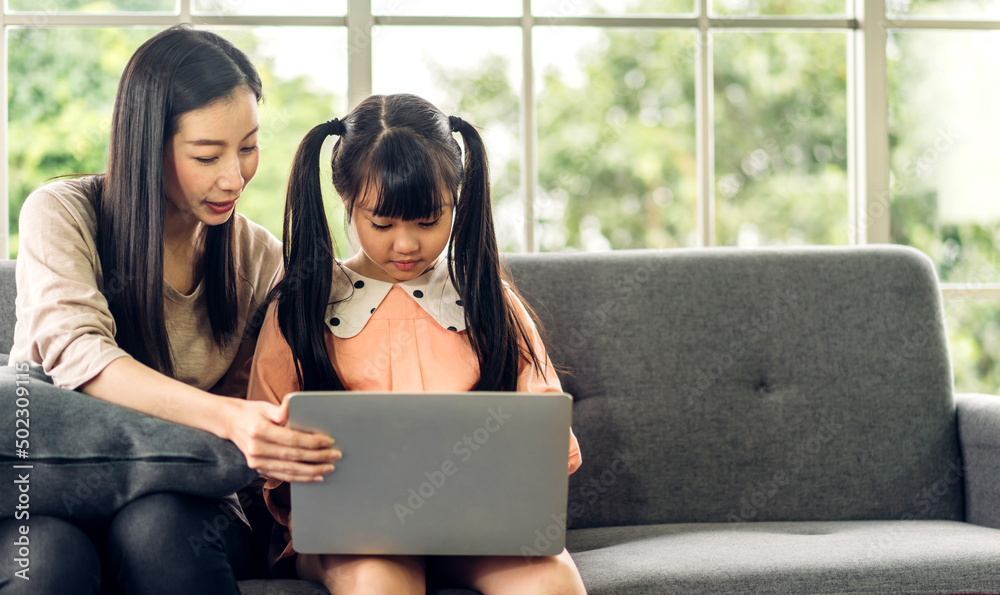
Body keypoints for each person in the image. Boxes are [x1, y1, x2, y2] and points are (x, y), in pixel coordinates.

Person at [0, 25, 337, 594]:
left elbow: (252, 402)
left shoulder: (260, 259)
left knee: (158, 532)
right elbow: (77, 353)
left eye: (249, 147)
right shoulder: (60, 213)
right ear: (146, 144)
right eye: (208, 155)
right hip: (51, 486)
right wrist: (228, 421)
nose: (235, 178)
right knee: (51, 561)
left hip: (183, 500)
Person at [247, 93, 587, 594]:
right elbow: (263, 439)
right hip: (354, 538)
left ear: (456, 200)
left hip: (482, 529)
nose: (405, 245)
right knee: (378, 578)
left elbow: (544, 431)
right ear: (346, 203)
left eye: (429, 221)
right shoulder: (303, 307)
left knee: (549, 580)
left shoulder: (489, 300)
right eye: (381, 224)